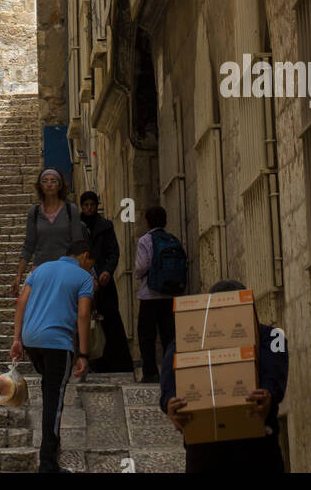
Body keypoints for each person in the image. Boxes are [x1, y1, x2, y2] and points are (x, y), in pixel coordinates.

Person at [160, 280, 289, 474]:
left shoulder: (273, 337)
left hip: (257, 449)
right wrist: (169, 402)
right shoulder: (184, 343)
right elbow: (169, 380)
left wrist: (268, 394)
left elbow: (276, 373)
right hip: (205, 448)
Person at [10, 239, 95, 474]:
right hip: (57, 344)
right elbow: (84, 315)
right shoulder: (84, 277)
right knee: (54, 402)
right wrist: (84, 355)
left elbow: (21, 304)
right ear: (84, 256)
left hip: (32, 341)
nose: (90, 269)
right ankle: (47, 463)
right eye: (91, 264)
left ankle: (54, 449)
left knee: (50, 390)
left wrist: (17, 339)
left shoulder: (40, 270)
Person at [79, 191, 134, 374]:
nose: (89, 208)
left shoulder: (105, 226)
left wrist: (107, 271)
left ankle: (115, 362)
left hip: (103, 280)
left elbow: (113, 252)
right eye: (86, 205)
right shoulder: (76, 226)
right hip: (82, 279)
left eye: (91, 205)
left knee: (110, 318)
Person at [10, 168, 87, 297]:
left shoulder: (70, 210)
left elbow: (78, 244)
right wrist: (18, 276)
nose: (49, 184)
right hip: (41, 271)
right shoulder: (34, 212)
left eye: (53, 181)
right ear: (40, 186)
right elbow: (28, 246)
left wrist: (83, 274)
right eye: (45, 181)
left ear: (60, 185)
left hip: (65, 272)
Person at [133, 205, 177, 382]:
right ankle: (171, 372)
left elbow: (142, 266)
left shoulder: (145, 240)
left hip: (149, 294)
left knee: (146, 335)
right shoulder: (172, 239)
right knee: (168, 335)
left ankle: (150, 372)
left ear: (147, 222)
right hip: (168, 294)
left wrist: (138, 275)